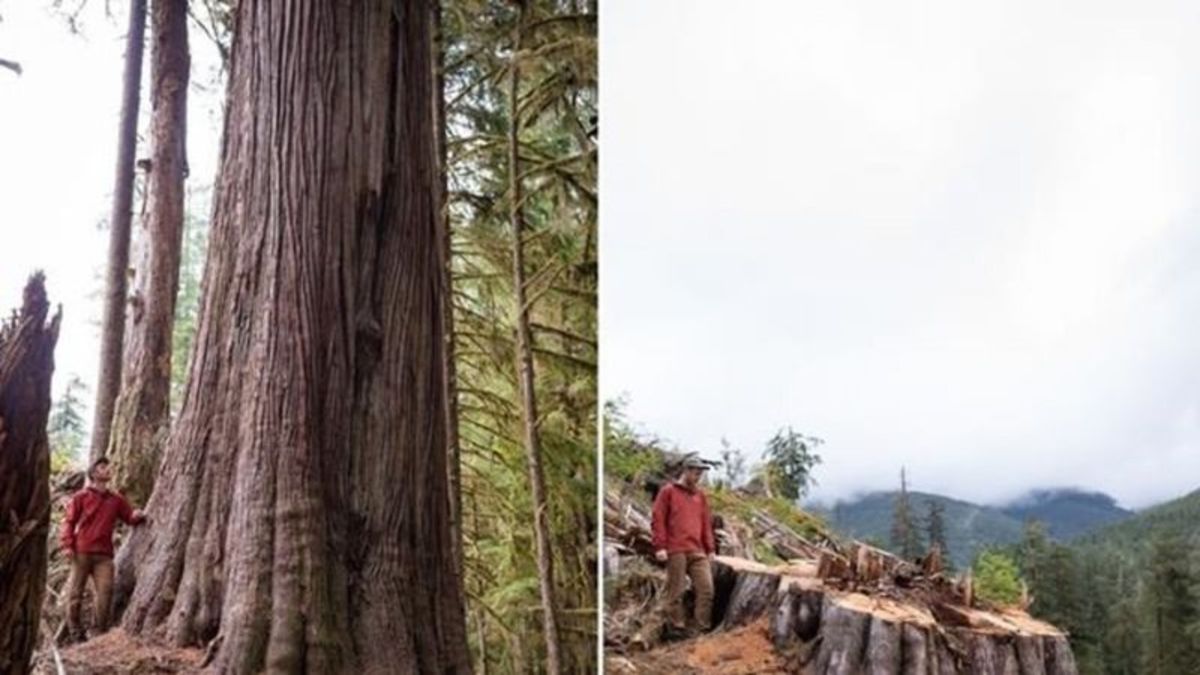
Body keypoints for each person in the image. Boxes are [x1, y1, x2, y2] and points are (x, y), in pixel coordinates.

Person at [59, 457, 147, 642]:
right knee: (75, 594)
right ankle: (76, 634)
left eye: (108, 467)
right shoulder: (81, 497)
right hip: (81, 552)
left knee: (105, 593)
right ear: (93, 473)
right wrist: (67, 545)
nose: (107, 470)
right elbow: (69, 521)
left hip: (104, 556)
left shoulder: (116, 499)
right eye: (102, 467)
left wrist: (137, 515)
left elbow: (129, 517)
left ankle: (98, 633)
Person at [651, 455, 716, 637]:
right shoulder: (668, 492)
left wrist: (710, 549)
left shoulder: (700, 496)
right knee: (676, 591)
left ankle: (700, 628)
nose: (698, 477)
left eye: (700, 474)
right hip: (675, 548)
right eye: (696, 473)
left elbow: (706, 524)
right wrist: (660, 546)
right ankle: (676, 627)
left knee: (706, 589)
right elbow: (658, 519)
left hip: (697, 549)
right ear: (686, 471)